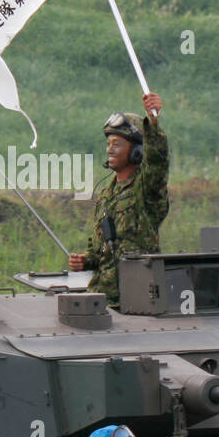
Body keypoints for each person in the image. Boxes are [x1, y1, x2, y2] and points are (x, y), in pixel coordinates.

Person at [68, 93, 169, 308]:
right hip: (103, 298)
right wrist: (85, 261)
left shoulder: (146, 188)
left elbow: (158, 162)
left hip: (137, 300)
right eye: (108, 143)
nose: (110, 149)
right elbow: (102, 249)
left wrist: (153, 121)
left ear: (137, 152)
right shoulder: (107, 195)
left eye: (117, 144)